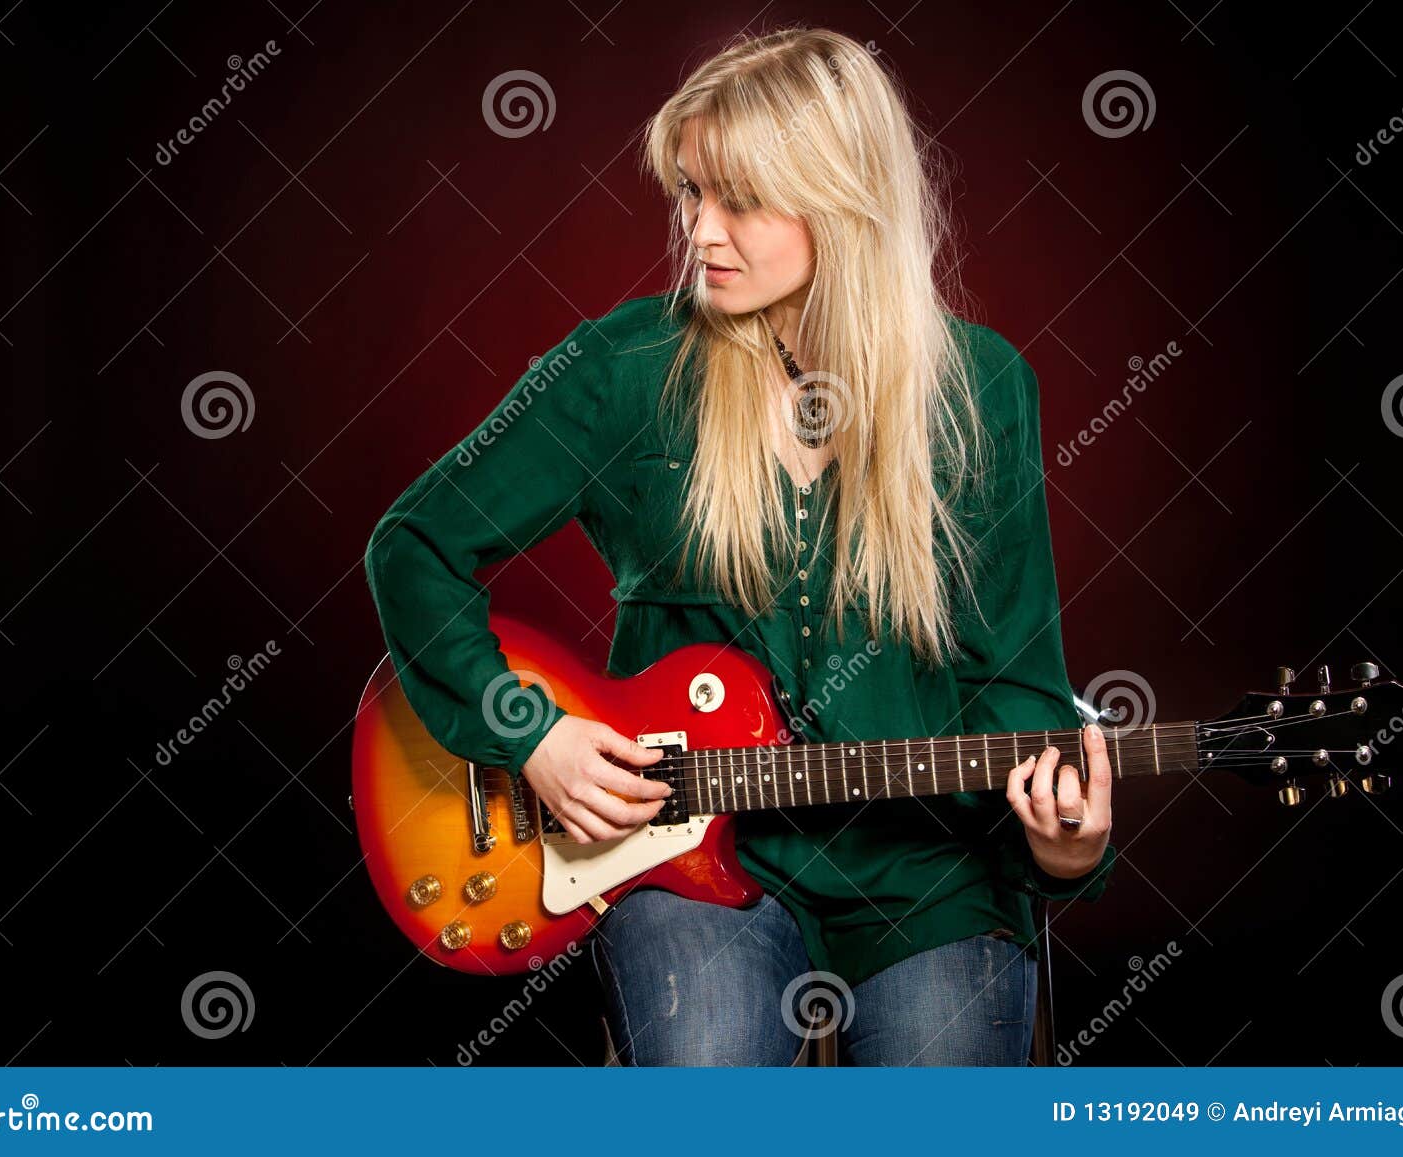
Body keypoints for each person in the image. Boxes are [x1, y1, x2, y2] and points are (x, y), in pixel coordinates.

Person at [364, 26, 1116, 1066]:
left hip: (928, 881)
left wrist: (1063, 843)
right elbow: (413, 546)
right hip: (683, 871)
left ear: (843, 201)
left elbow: (1022, 692)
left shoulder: (982, 391)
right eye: (688, 194)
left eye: (739, 199)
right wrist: (528, 731)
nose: (700, 233)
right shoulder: (622, 370)